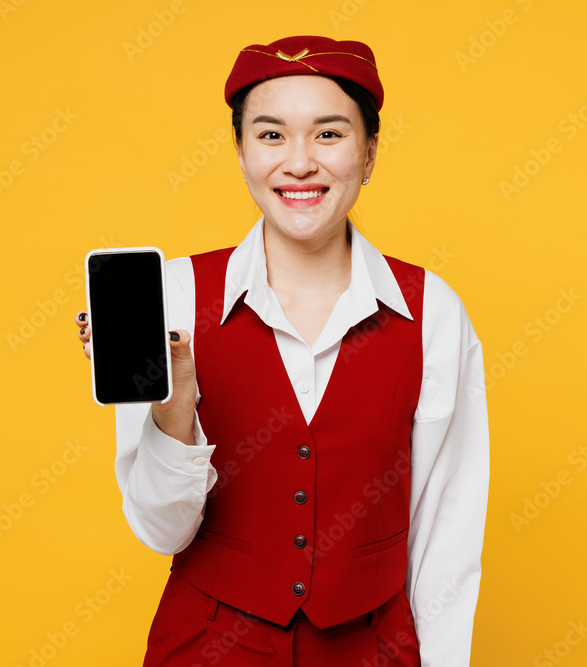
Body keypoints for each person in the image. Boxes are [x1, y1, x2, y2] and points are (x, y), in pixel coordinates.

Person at [75, 35, 489, 666]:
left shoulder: (433, 311)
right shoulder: (174, 297)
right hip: (208, 648)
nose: (299, 163)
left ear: (370, 151)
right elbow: (163, 531)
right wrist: (175, 408)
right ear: (240, 153)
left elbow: (447, 534)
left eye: (329, 134)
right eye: (271, 136)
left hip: (372, 650)